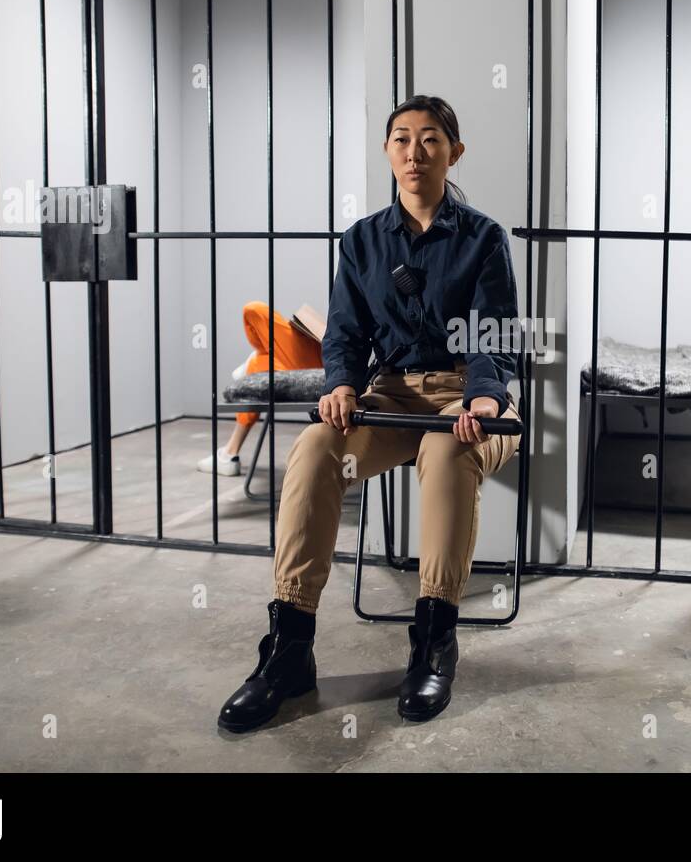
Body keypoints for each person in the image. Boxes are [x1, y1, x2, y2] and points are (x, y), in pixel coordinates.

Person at [218, 94, 523, 732]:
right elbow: (347, 336)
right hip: (391, 395)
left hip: (470, 393)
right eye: (402, 139)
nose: (416, 153)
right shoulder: (360, 241)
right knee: (316, 449)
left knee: (447, 449)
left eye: (431, 139)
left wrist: (484, 396)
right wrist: (342, 386)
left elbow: (495, 334)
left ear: (453, 153)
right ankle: (289, 646)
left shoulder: (485, 238)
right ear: (388, 151)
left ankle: (435, 638)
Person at [196, 302, 323, 476]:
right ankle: (229, 453)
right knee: (261, 364)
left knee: (252, 309)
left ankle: (228, 454)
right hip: (319, 361)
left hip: (322, 362)